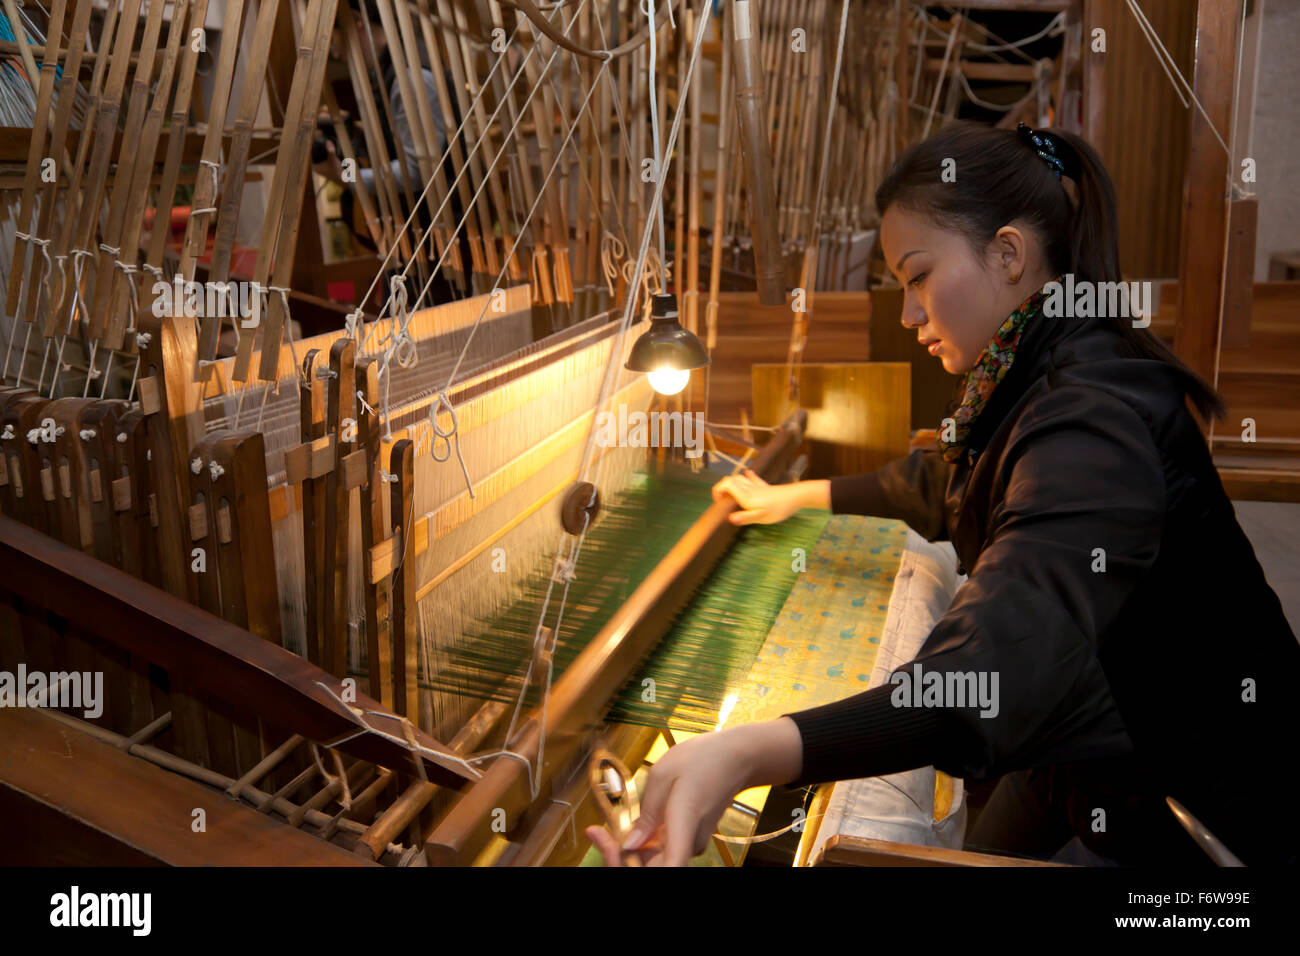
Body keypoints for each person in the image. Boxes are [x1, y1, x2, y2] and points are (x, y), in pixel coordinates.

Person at [586, 120, 1300, 867]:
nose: (909, 315)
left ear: (1009, 254)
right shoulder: (1043, 367)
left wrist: (746, 752)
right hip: (1089, 742)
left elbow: (994, 666)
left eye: (918, 276)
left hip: (1199, 811)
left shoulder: (1091, 416)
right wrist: (793, 498)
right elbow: (956, 482)